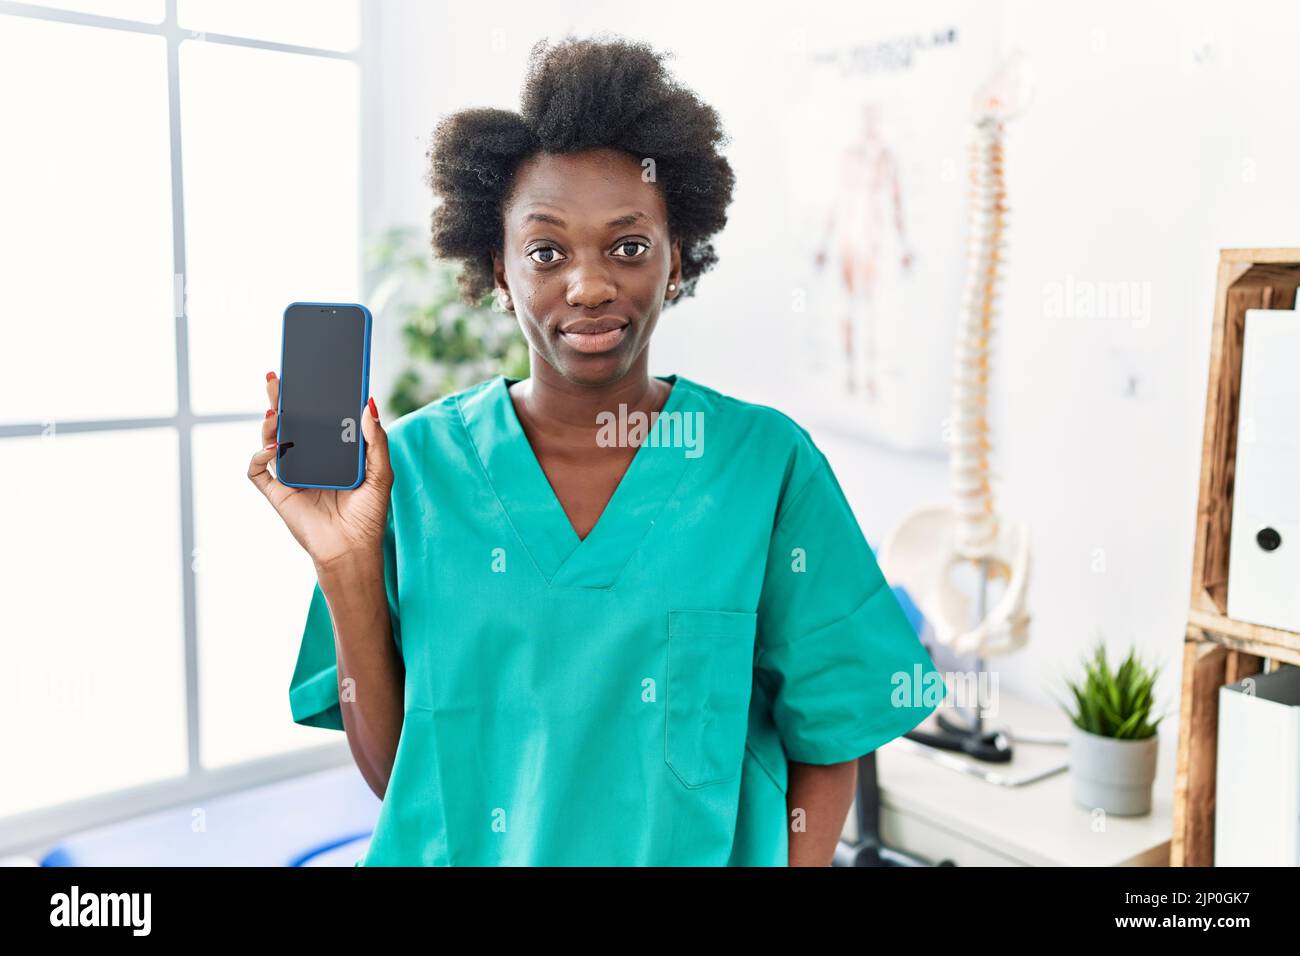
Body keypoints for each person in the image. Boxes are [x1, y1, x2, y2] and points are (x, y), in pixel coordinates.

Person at [248, 35, 945, 867]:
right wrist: (347, 565)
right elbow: (399, 779)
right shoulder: (415, 471)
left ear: (677, 259)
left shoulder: (766, 466)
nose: (589, 285)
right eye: (546, 252)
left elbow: (832, 731)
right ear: (498, 274)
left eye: (628, 245)